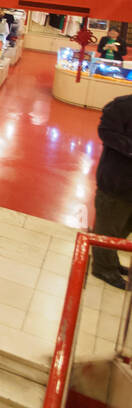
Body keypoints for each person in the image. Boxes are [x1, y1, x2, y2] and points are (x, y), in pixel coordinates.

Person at [92, 93, 132, 290]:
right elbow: (106, 132)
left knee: (123, 228)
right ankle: (102, 267)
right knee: (108, 228)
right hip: (117, 183)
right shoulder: (121, 106)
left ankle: (111, 261)